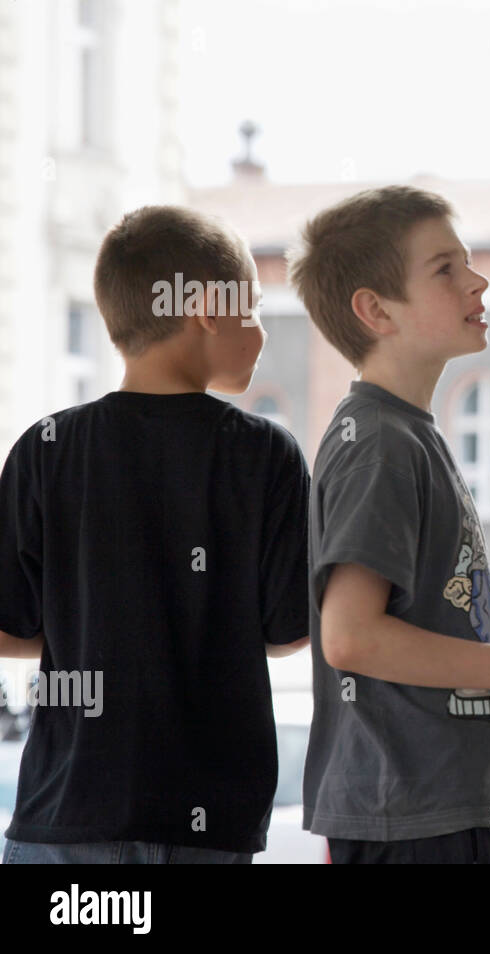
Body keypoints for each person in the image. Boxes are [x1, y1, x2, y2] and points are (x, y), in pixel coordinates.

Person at [287, 185, 490, 864]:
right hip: (408, 819)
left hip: (432, 811)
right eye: (446, 269)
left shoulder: (405, 434)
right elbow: (351, 636)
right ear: (375, 310)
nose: (477, 282)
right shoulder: (380, 443)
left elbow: (405, 628)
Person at [0, 205, 310, 863]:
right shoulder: (265, 456)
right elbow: (287, 631)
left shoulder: (45, 450)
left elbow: (8, 626)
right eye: (250, 311)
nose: (260, 334)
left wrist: (86, 628)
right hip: (202, 831)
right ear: (205, 309)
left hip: (61, 821)